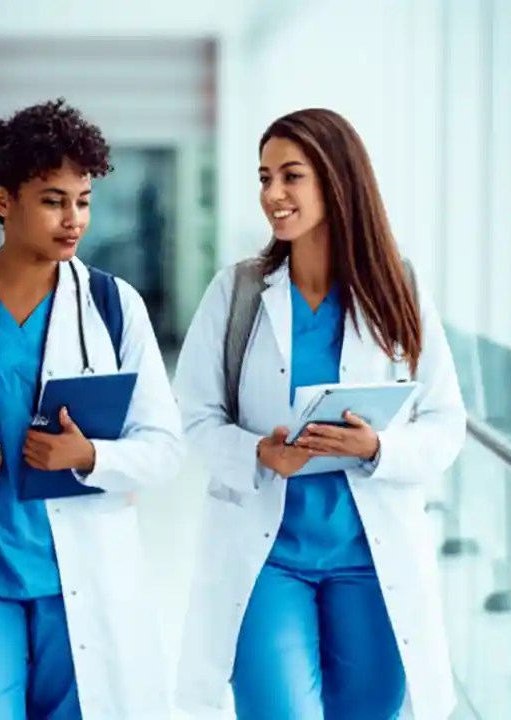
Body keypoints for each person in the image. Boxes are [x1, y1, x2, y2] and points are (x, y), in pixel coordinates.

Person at [0, 99, 184, 720]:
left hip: (82, 579)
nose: (74, 219)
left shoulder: (113, 305)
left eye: (83, 199)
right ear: (2, 201)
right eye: (53, 200)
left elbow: (163, 447)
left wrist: (91, 456)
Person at [172, 108, 466, 719]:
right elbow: (194, 416)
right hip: (267, 557)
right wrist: (258, 452)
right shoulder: (239, 292)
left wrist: (377, 449)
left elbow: (444, 424)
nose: (272, 195)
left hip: (371, 562)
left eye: (291, 176)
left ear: (337, 179)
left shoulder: (398, 290)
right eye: (264, 178)